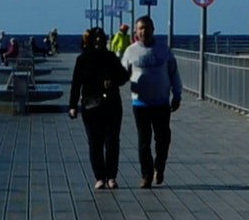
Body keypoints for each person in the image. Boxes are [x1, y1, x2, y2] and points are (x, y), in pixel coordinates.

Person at [68, 23, 129, 190]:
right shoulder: (82, 59)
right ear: (89, 41)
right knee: (95, 143)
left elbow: (124, 76)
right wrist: (72, 106)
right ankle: (100, 177)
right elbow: (76, 84)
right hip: (91, 105)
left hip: (111, 105)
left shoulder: (111, 57)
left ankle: (111, 177)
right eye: (95, 38)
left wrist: (113, 81)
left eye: (100, 38)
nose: (98, 41)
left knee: (112, 142)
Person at [123, 15, 181, 188]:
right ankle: (146, 175)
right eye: (140, 28)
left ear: (153, 30)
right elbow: (122, 73)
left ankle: (159, 166)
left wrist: (177, 94)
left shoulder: (163, 49)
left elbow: (173, 72)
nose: (143, 31)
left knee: (163, 139)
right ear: (135, 31)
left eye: (146, 28)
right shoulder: (130, 51)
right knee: (144, 141)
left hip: (161, 102)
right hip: (140, 103)